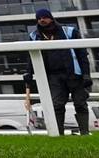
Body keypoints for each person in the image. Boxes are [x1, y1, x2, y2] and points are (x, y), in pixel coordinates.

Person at [27, 7, 92, 136]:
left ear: (51, 18)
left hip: (74, 74)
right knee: (56, 105)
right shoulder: (34, 36)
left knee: (80, 103)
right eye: (39, 18)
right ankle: (58, 134)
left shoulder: (69, 31)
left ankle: (84, 132)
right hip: (53, 76)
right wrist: (29, 73)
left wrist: (86, 74)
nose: (42, 20)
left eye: (44, 17)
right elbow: (31, 57)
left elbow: (82, 54)